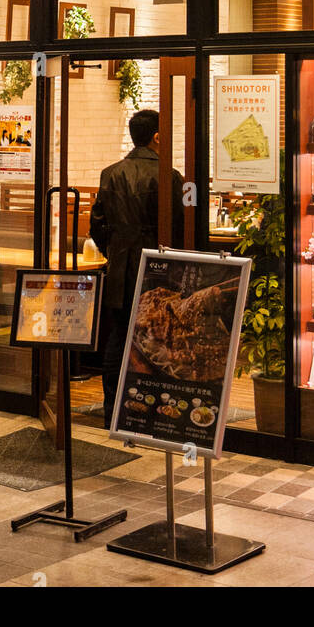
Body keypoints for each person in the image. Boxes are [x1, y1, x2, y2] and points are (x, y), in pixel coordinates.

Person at [90, 109, 184, 428]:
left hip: (119, 270)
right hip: (156, 270)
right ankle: (151, 415)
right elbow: (178, 227)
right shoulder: (169, 176)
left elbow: (97, 225)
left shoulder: (110, 173)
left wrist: (115, 252)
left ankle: (112, 412)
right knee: (157, 340)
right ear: (157, 137)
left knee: (118, 338)